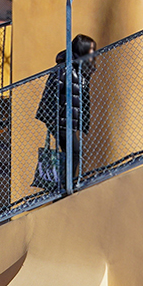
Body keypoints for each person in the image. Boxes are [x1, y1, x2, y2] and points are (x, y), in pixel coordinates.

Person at [35, 34, 95, 179]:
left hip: (69, 121)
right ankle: (67, 184)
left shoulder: (79, 70)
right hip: (62, 121)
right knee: (73, 152)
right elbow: (50, 93)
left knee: (72, 152)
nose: (93, 53)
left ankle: (67, 183)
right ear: (83, 49)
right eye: (91, 49)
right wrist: (53, 118)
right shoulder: (65, 68)